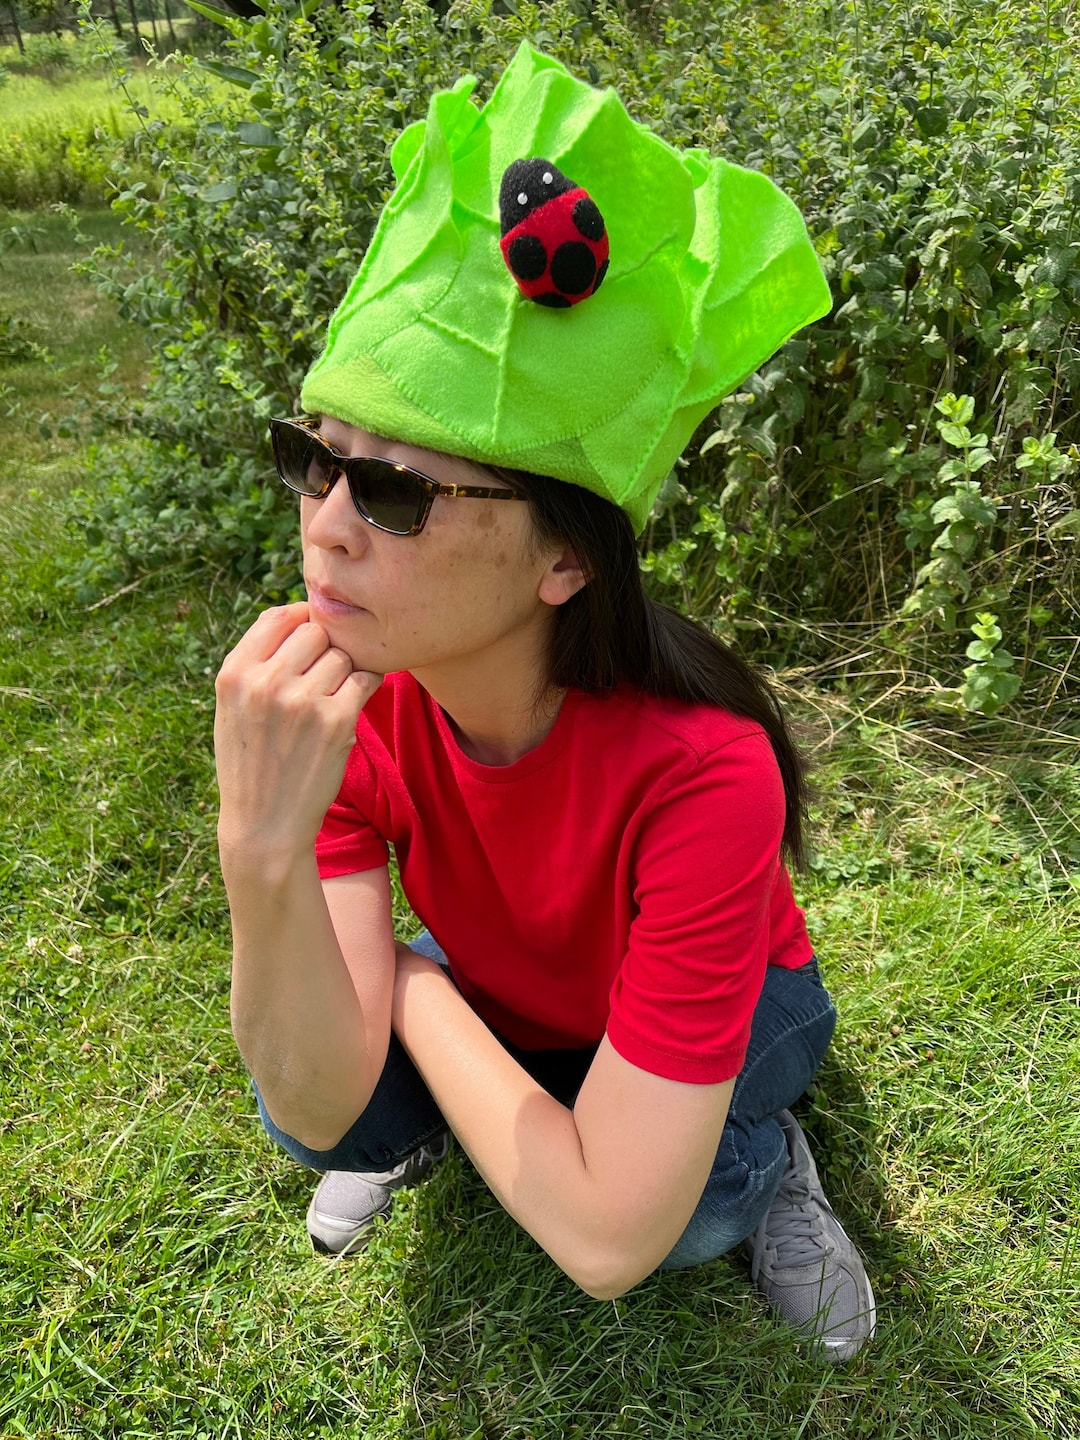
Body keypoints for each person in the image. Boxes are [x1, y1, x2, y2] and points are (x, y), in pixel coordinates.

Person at [213, 44, 876, 1362]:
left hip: (735, 1005)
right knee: (324, 1120)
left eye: (397, 493)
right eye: (314, 460)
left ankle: (766, 1149)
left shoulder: (702, 767)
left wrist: (406, 986)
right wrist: (260, 855)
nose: (329, 529)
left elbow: (606, 1245)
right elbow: (310, 1093)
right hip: (516, 987)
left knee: (675, 1222)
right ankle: (538, 1110)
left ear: (567, 560)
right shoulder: (352, 702)